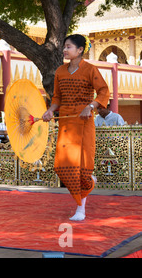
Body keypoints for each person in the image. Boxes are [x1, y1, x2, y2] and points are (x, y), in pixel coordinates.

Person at [42, 34, 109, 221]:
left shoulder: (90, 69)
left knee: (81, 168)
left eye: (69, 47)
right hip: (65, 120)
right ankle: (90, 184)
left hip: (84, 120)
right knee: (62, 167)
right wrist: (50, 111)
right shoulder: (60, 72)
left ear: (80, 50)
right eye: (64, 46)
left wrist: (91, 106)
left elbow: (103, 90)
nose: (64, 50)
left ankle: (80, 209)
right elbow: (57, 98)